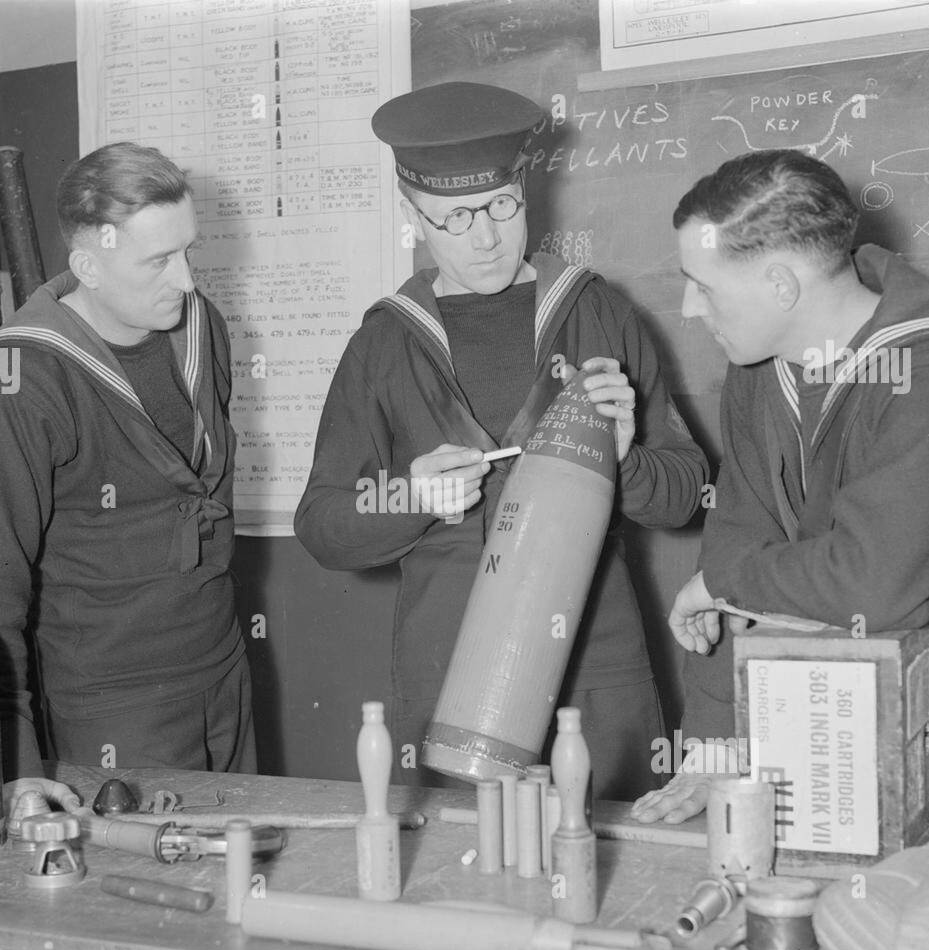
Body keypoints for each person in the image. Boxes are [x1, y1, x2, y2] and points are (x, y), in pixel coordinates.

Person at [295, 82, 708, 799]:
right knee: (468, 884)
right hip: (454, 671)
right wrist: (411, 496)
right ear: (411, 215)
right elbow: (325, 525)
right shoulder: (385, 342)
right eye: (454, 219)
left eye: (501, 207)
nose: (484, 237)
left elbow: (685, 493)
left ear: (523, 186)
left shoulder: (596, 311)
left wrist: (624, 456)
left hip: (595, 662)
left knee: (619, 869)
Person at [633, 149, 929, 827]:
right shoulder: (762, 367)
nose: (687, 305)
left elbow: (865, 579)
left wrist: (720, 581)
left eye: (703, 285)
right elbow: (734, 556)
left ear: (781, 286)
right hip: (834, 727)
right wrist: (713, 743)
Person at [0, 142, 255, 793]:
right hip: (112, 711)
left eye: (188, 250)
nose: (187, 280)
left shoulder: (201, 327)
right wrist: (15, 772)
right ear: (89, 263)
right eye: (159, 260)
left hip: (224, 675)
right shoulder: (16, 381)